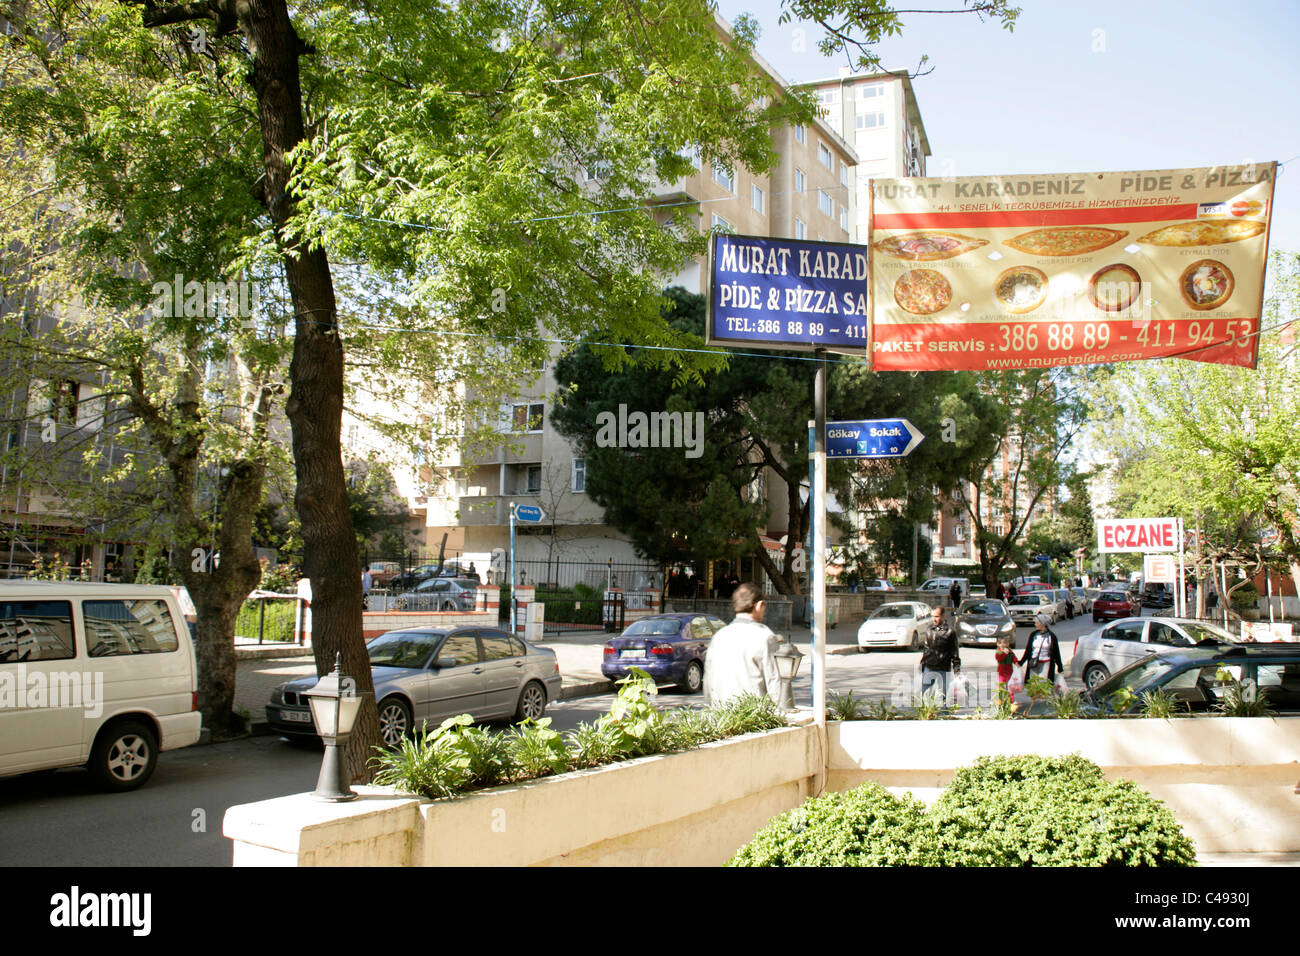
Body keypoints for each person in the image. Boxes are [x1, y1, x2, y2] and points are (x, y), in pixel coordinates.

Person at [703, 582, 781, 706]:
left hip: (721, 716)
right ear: (759, 605)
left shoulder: (719, 637)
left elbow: (708, 683)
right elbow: (774, 682)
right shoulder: (764, 636)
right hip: (754, 717)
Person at [917, 605, 962, 701]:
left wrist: (956, 668)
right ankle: (926, 713)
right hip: (929, 666)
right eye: (932, 616)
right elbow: (926, 648)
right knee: (925, 693)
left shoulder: (950, 631)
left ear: (943, 616)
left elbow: (954, 651)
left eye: (936, 616)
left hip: (943, 667)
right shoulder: (929, 629)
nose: (934, 619)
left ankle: (944, 712)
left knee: (943, 695)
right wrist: (922, 663)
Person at [1019, 613, 1064, 684]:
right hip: (1033, 662)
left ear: (1043, 624)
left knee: (1042, 683)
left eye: (1037, 623)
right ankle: (1036, 695)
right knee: (1033, 683)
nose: (1035, 624)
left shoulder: (1051, 636)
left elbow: (1056, 653)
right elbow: (1028, 651)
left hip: (1046, 663)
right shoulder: (1033, 635)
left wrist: (1060, 666)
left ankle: (1041, 695)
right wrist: (1021, 662)